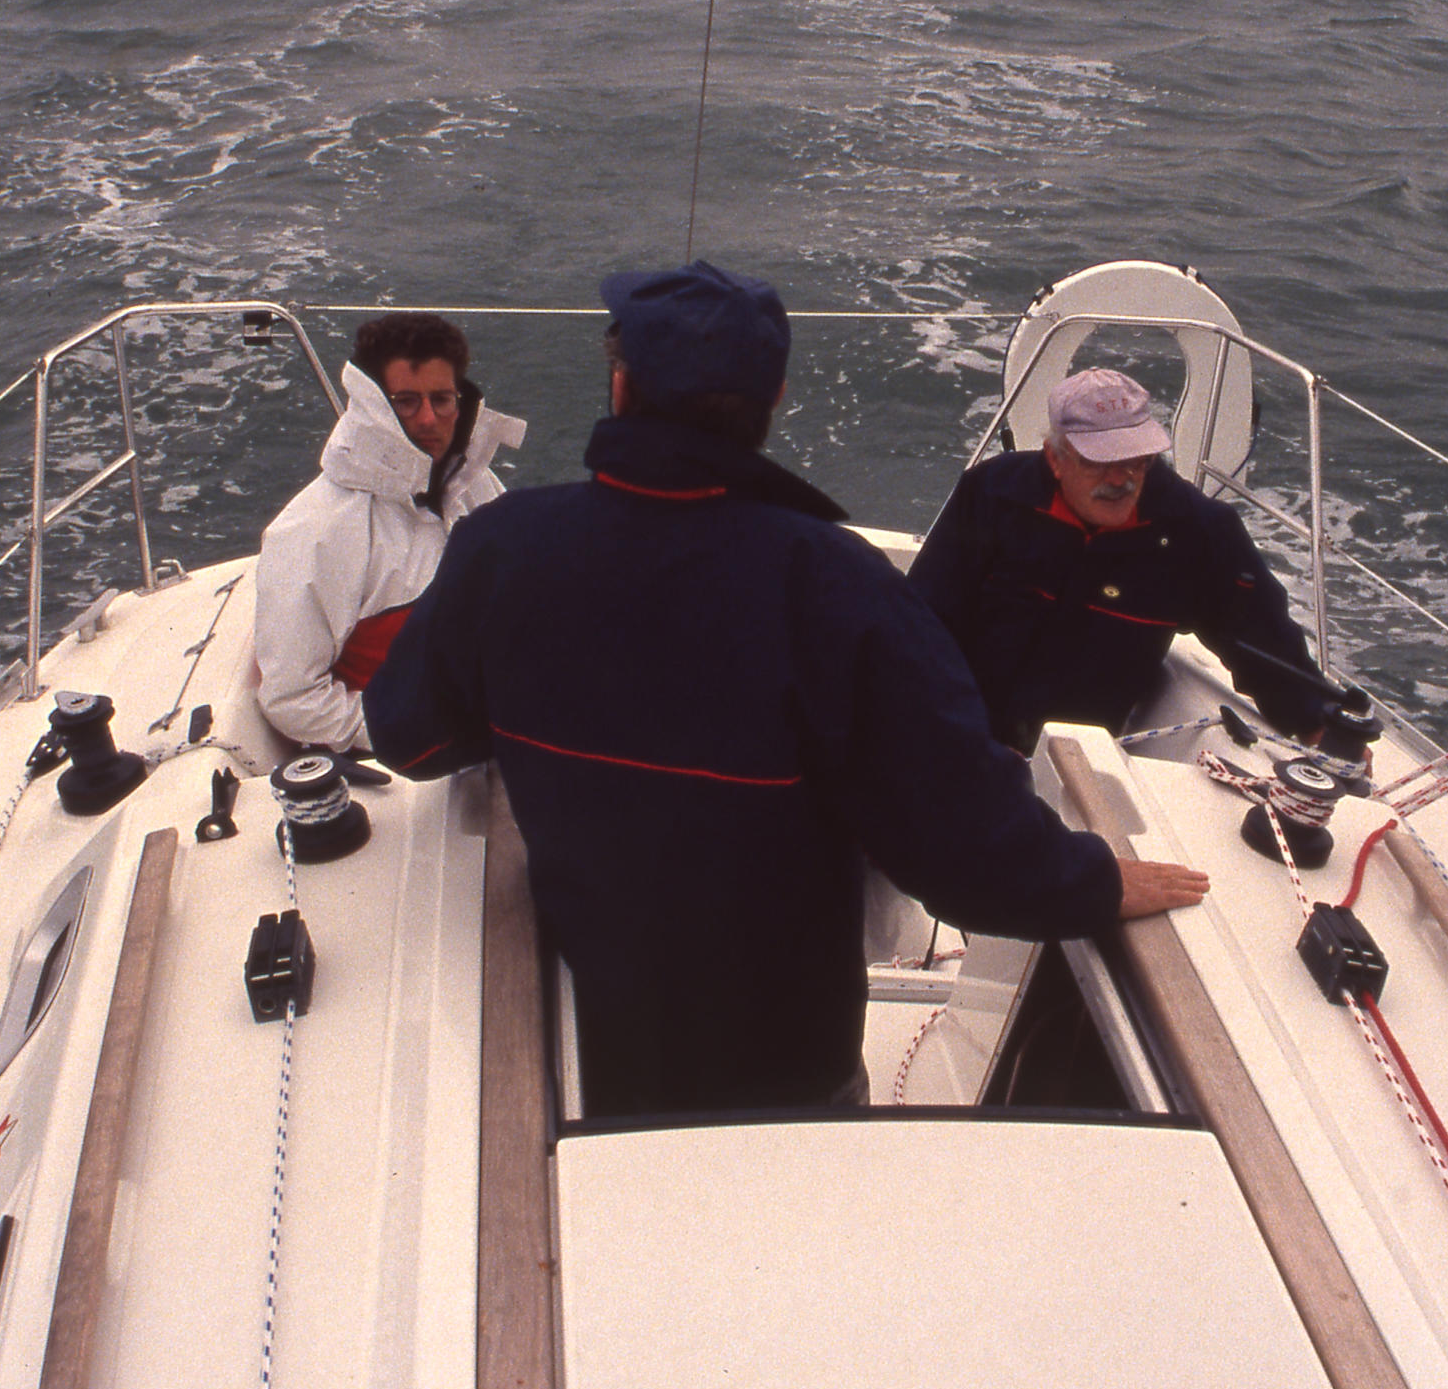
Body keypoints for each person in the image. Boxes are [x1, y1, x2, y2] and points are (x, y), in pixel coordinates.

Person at [363, 263, 1205, 1119]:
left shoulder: (500, 548)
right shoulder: (843, 587)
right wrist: (1093, 881)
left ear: (620, 387)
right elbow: (963, 852)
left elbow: (408, 739)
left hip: (593, 1032)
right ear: (773, 403)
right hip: (789, 1062)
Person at [909, 366, 1356, 756]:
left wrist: (1317, 718)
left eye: (1136, 461)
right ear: (1056, 459)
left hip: (1085, 755)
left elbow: (1259, 635)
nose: (1120, 479)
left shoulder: (1197, 532)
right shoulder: (992, 494)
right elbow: (923, 620)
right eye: (1099, 462)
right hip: (960, 728)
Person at [253, 312, 524, 753]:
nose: (429, 419)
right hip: (410, 757)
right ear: (375, 406)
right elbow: (292, 700)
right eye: (406, 402)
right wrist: (429, 728)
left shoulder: (475, 484)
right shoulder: (313, 530)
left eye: (442, 399)